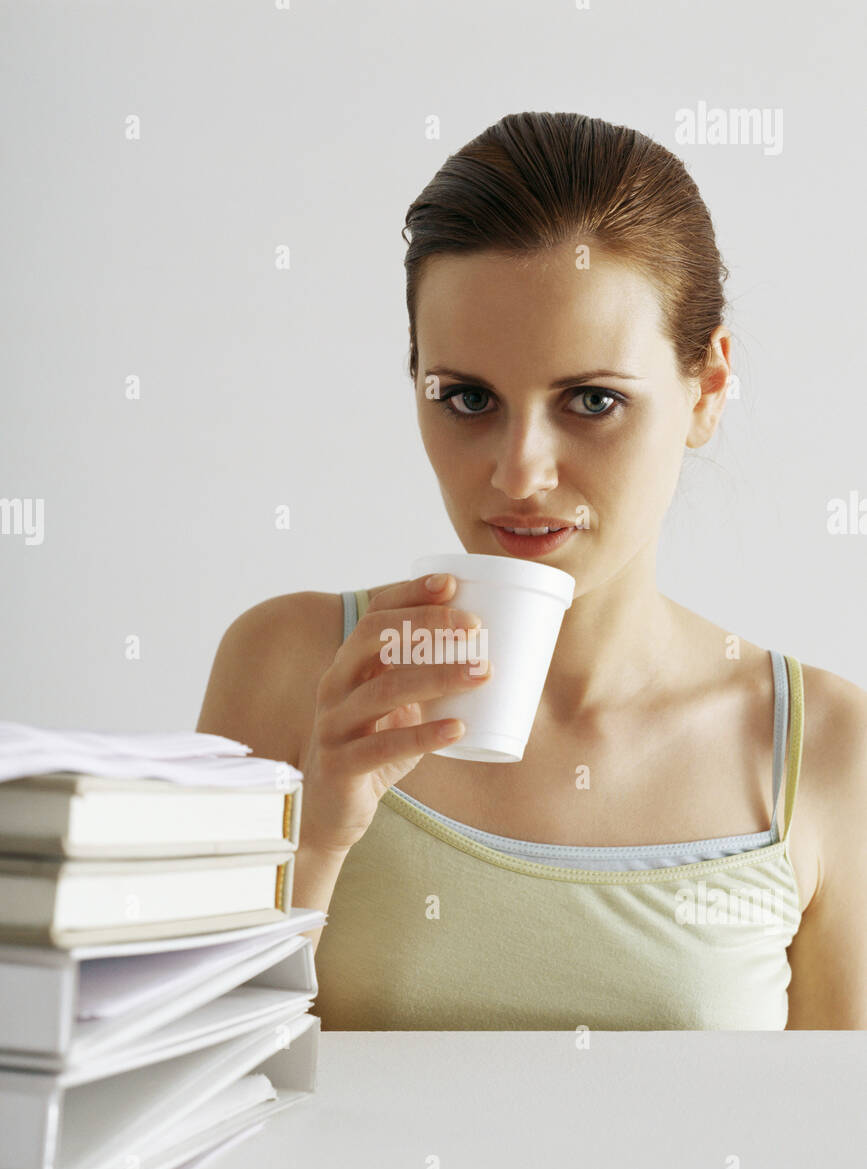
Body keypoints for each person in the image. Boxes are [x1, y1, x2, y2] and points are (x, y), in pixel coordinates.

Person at [197, 112, 867, 1030]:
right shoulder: (285, 667)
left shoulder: (826, 751)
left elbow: (828, 1158)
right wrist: (315, 841)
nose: (518, 473)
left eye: (592, 401)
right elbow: (175, 1112)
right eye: (466, 398)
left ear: (706, 390)